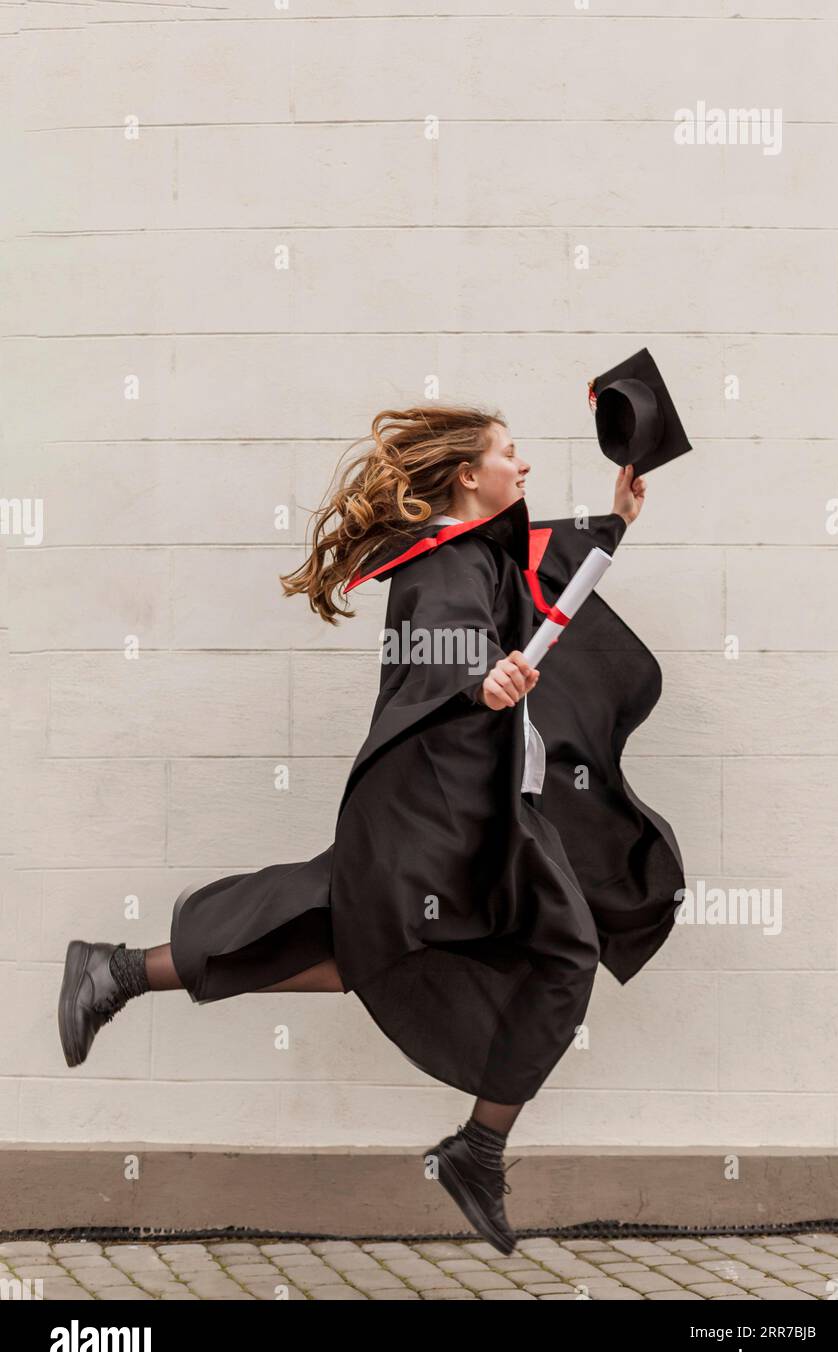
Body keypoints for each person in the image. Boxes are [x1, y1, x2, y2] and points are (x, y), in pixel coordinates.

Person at [57, 404, 685, 1256]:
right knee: (534, 948)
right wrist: (481, 683)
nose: (523, 467)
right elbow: (442, 652)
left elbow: (547, 583)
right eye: (510, 454)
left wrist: (617, 518)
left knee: (356, 937)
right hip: (435, 802)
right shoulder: (442, 570)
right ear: (469, 475)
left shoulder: (477, 554)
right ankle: (479, 1150)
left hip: (467, 800)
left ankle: (120, 970)